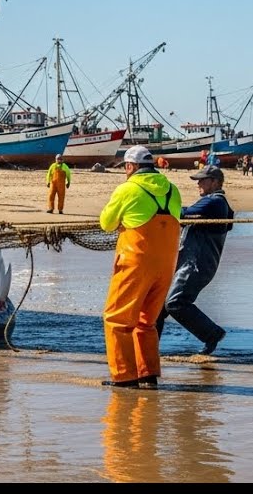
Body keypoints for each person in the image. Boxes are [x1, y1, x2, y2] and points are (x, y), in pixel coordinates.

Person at [98, 145, 183, 389]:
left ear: (130, 167)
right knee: (146, 321)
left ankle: (124, 378)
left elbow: (106, 223)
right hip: (166, 265)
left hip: (135, 262)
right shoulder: (172, 190)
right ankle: (148, 375)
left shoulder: (127, 189)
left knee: (117, 319)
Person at [156, 165, 234, 355]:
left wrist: (155, 208)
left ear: (215, 182)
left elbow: (181, 213)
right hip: (191, 263)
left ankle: (212, 334)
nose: (198, 184)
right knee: (158, 306)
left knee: (175, 302)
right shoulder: (215, 203)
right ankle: (148, 348)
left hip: (196, 265)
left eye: (202, 180)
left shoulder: (214, 202)